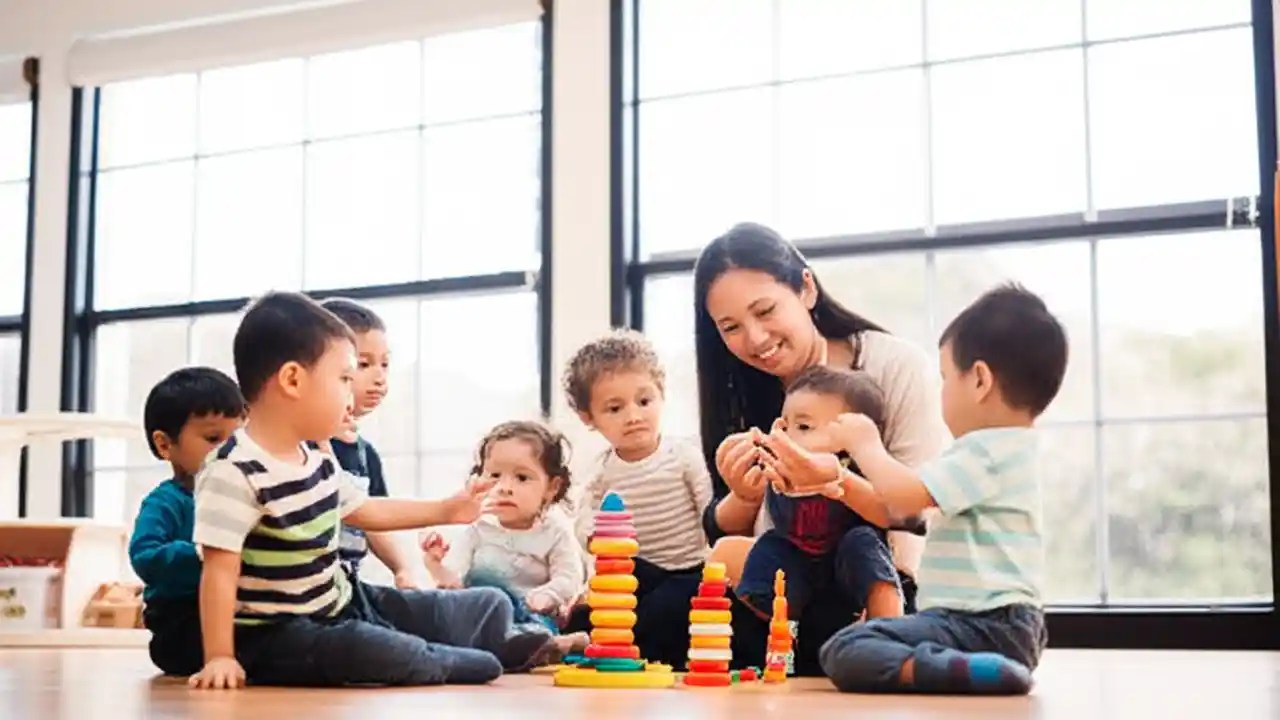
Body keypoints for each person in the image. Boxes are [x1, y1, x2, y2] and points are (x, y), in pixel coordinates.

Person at [187, 291, 558, 690]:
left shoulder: (315, 457)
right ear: (293, 379)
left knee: (485, 602)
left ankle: (498, 635)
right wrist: (221, 656)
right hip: (281, 634)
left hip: (344, 602)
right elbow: (219, 573)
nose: (352, 393)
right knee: (367, 648)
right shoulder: (233, 471)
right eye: (345, 378)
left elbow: (364, 511)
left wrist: (447, 510)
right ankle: (443, 658)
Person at [694, 222, 948, 673]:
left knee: (849, 612)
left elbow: (916, 514)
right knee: (673, 609)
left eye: (766, 310)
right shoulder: (741, 391)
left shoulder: (894, 366)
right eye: (731, 327)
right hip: (784, 581)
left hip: (874, 569)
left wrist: (838, 482)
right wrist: (745, 495)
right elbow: (725, 529)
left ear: (806, 289)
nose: (754, 339)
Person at [818, 283, 1066, 695]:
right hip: (1004, 625)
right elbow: (897, 510)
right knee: (865, 639)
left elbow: (903, 496)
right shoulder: (1008, 451)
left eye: (946, 377)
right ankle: (977, 669)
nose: (942, 391)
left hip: (981, 621)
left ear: (980, 380)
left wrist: (865, 444)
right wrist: (838, 480)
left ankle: (946, 669)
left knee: (845, 648)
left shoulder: (986, 451)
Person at [562, 329, 714, 666]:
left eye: (644, 402)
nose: (633, 416)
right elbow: (585, 518)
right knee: (591, 612)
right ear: (589, 418)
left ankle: (635, 653)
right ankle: (597, 644)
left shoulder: (683, 456)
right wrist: (593, 537)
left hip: (687, 570)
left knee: (663, 609)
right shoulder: (602, 471)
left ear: (661, 396)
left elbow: (709, 509)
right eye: (615, 408)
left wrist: (719, 555)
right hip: (634, 571)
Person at [735, 365, 902, 624]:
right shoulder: (779, 468)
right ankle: (758, 629)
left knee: (863, 543)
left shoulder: (856, 469)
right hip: (799, 564)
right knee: (770, 547)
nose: (787, 436)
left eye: (803, 426)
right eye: (784, 424)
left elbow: (887, 513)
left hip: (846, 565)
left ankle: (889, 625)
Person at [421, 420, 587, 654]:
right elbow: (454, 582)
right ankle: (518, 649)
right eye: (495, 476)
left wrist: (544, 596)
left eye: (521, 478)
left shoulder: (555, 532)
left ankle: (541, 645)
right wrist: (436, 564)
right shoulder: (478, 528)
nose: (505, 487)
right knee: (456, 608)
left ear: (552, 487)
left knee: (531, 629)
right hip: (481, 616)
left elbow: (569, 578)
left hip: (529, 615)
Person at [128, 367, 245, 676]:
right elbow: (145, 555)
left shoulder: (244, 495)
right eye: (213, 438)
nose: (230, 450)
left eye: (238, 437)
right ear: (165, 445)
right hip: (181, 622)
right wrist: (204, 552)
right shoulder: (167, 501)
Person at [317, 297, 422, 588]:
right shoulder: (304, 444)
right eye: (363, 364)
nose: (380, 377)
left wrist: (401, 569)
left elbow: (376, 519)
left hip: (349, 585)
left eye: (385, 364)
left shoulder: (366, 454)